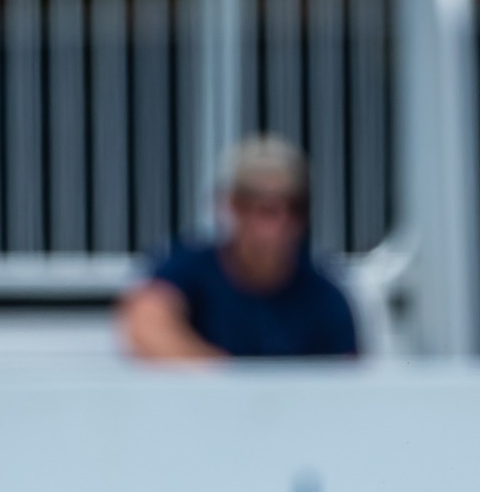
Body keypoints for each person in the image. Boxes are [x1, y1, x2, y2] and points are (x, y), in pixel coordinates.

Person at [117, 135, 359, 360]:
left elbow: (346, 378)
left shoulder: (324, 295)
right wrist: (223, 378)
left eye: (294, 207)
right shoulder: (190, 268)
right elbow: (146, 323)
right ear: (232, 206)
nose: (279, 223)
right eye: (263, 208)